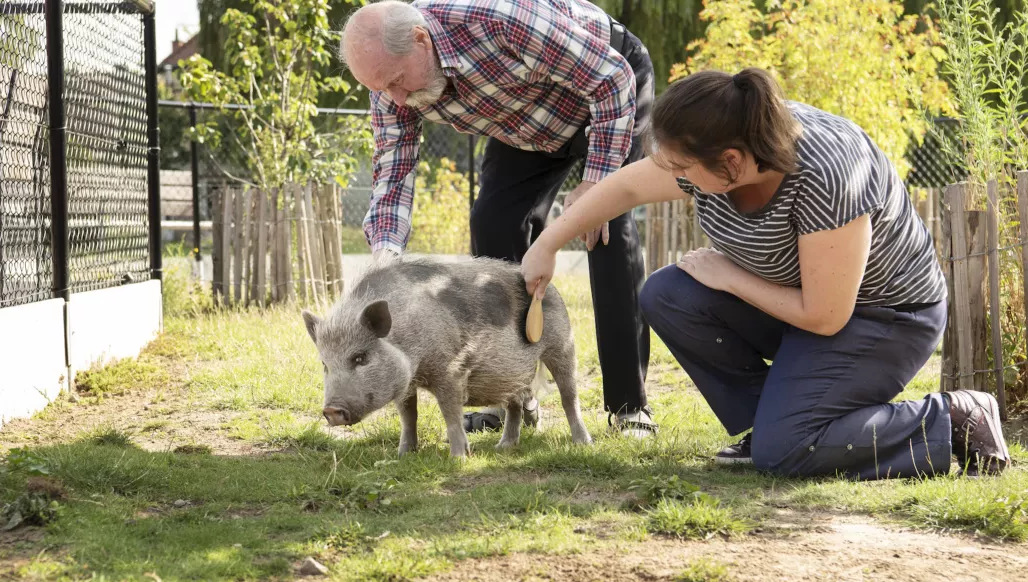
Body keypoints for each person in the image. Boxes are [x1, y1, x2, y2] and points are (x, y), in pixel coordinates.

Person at [519, 67, 1012, 479]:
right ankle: (776, 423)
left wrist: (729, 276)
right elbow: (626, 188)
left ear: (731, 161)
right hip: (799, 303)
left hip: (885, 318)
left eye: (682, 169)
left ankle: (952, 419)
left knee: (787, 452)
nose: (673, 177)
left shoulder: (828, 173)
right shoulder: (723, 141)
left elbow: (825, 315)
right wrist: (546, 244)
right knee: (668, 294)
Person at [338, 0, 659, 438]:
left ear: (420, 39)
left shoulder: (497, 18)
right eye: (381, 88)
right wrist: (385, 256)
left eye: (396, 80)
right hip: (525, 118)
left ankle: (629, 407)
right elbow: (393, 174)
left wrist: (598, 185)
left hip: (605, 89)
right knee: (491, 221)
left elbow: (612, 77)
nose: (396, 98)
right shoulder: (392, 87)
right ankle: (512, 393)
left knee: (604, 228)